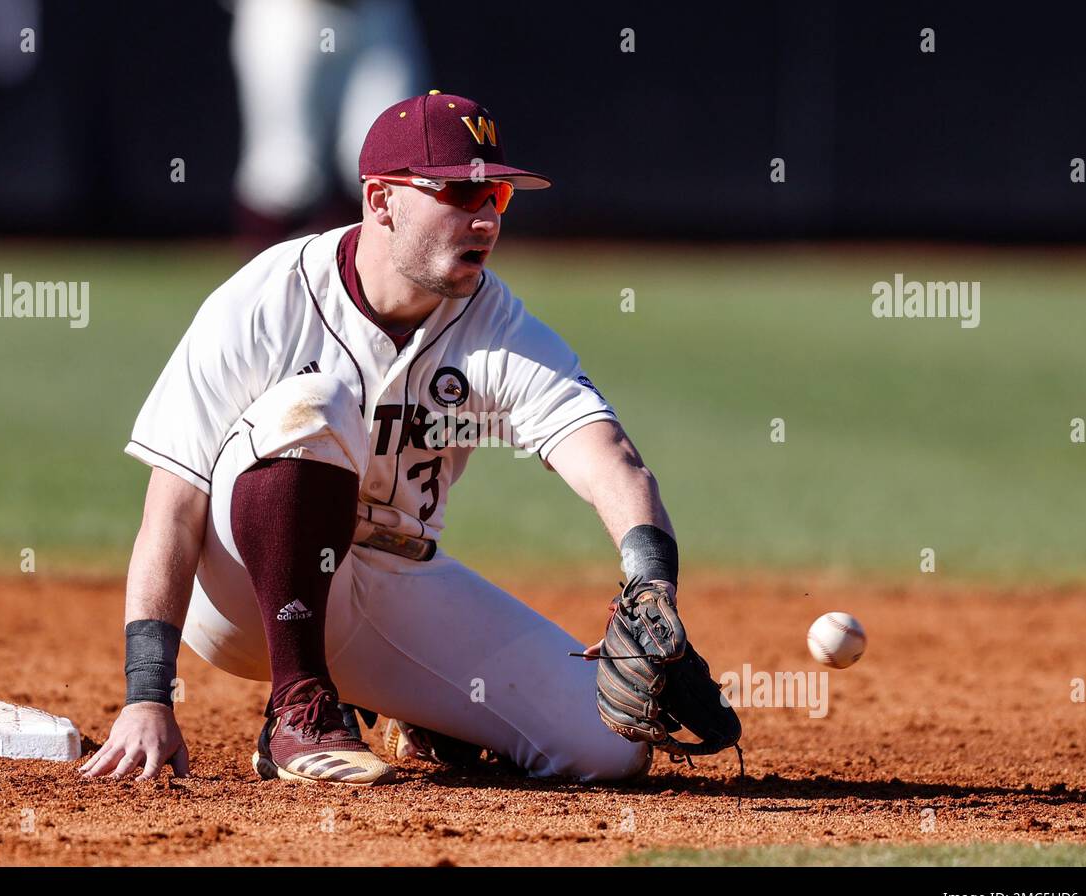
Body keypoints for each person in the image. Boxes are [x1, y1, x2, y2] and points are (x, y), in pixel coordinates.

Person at [81, 91, 686, 786]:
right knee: (316, 402)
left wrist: (651, 581)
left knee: (608, 747)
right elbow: (173, 504)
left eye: (496, 194)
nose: (485, 215)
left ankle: (413, 705)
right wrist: (147, 696)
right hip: (243, 592)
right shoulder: (267, 298)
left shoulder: (498, 324)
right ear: (381, 201)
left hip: (394, 577)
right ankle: (298, 706)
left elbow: (608, 455)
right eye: (459, 192)